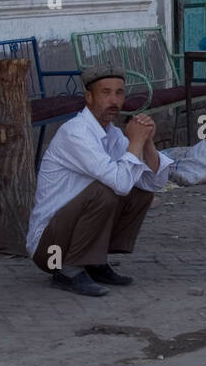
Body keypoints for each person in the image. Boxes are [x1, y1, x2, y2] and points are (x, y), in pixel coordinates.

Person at [26, 64, 174, 296]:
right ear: (89, 97)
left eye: (119, 93)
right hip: (49, 250)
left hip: (67, 236)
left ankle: (94, 262)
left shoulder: (112, 134)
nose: (113, 101)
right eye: (105, 93)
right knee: (107, 190)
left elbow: (153, 183)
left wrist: (147, 142)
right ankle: (69, 271)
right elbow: (120, 183)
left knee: (140, 192)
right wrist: (134, 144)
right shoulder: (75, 133)